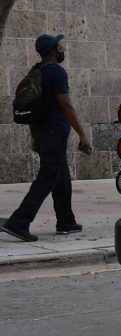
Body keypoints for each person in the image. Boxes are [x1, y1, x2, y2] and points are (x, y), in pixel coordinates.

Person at [2, 34, 91, 242]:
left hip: (43, 133)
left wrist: (34, 137)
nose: (62, 49)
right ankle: (18, 222)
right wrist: (82, 134)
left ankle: (66, 222)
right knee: (48, 177)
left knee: (62, 177)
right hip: (54, 133)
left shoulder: (37, 72)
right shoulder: (56, 72)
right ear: (52, 51)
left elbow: (33, 108)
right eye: (59, 46)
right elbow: (66, 105)